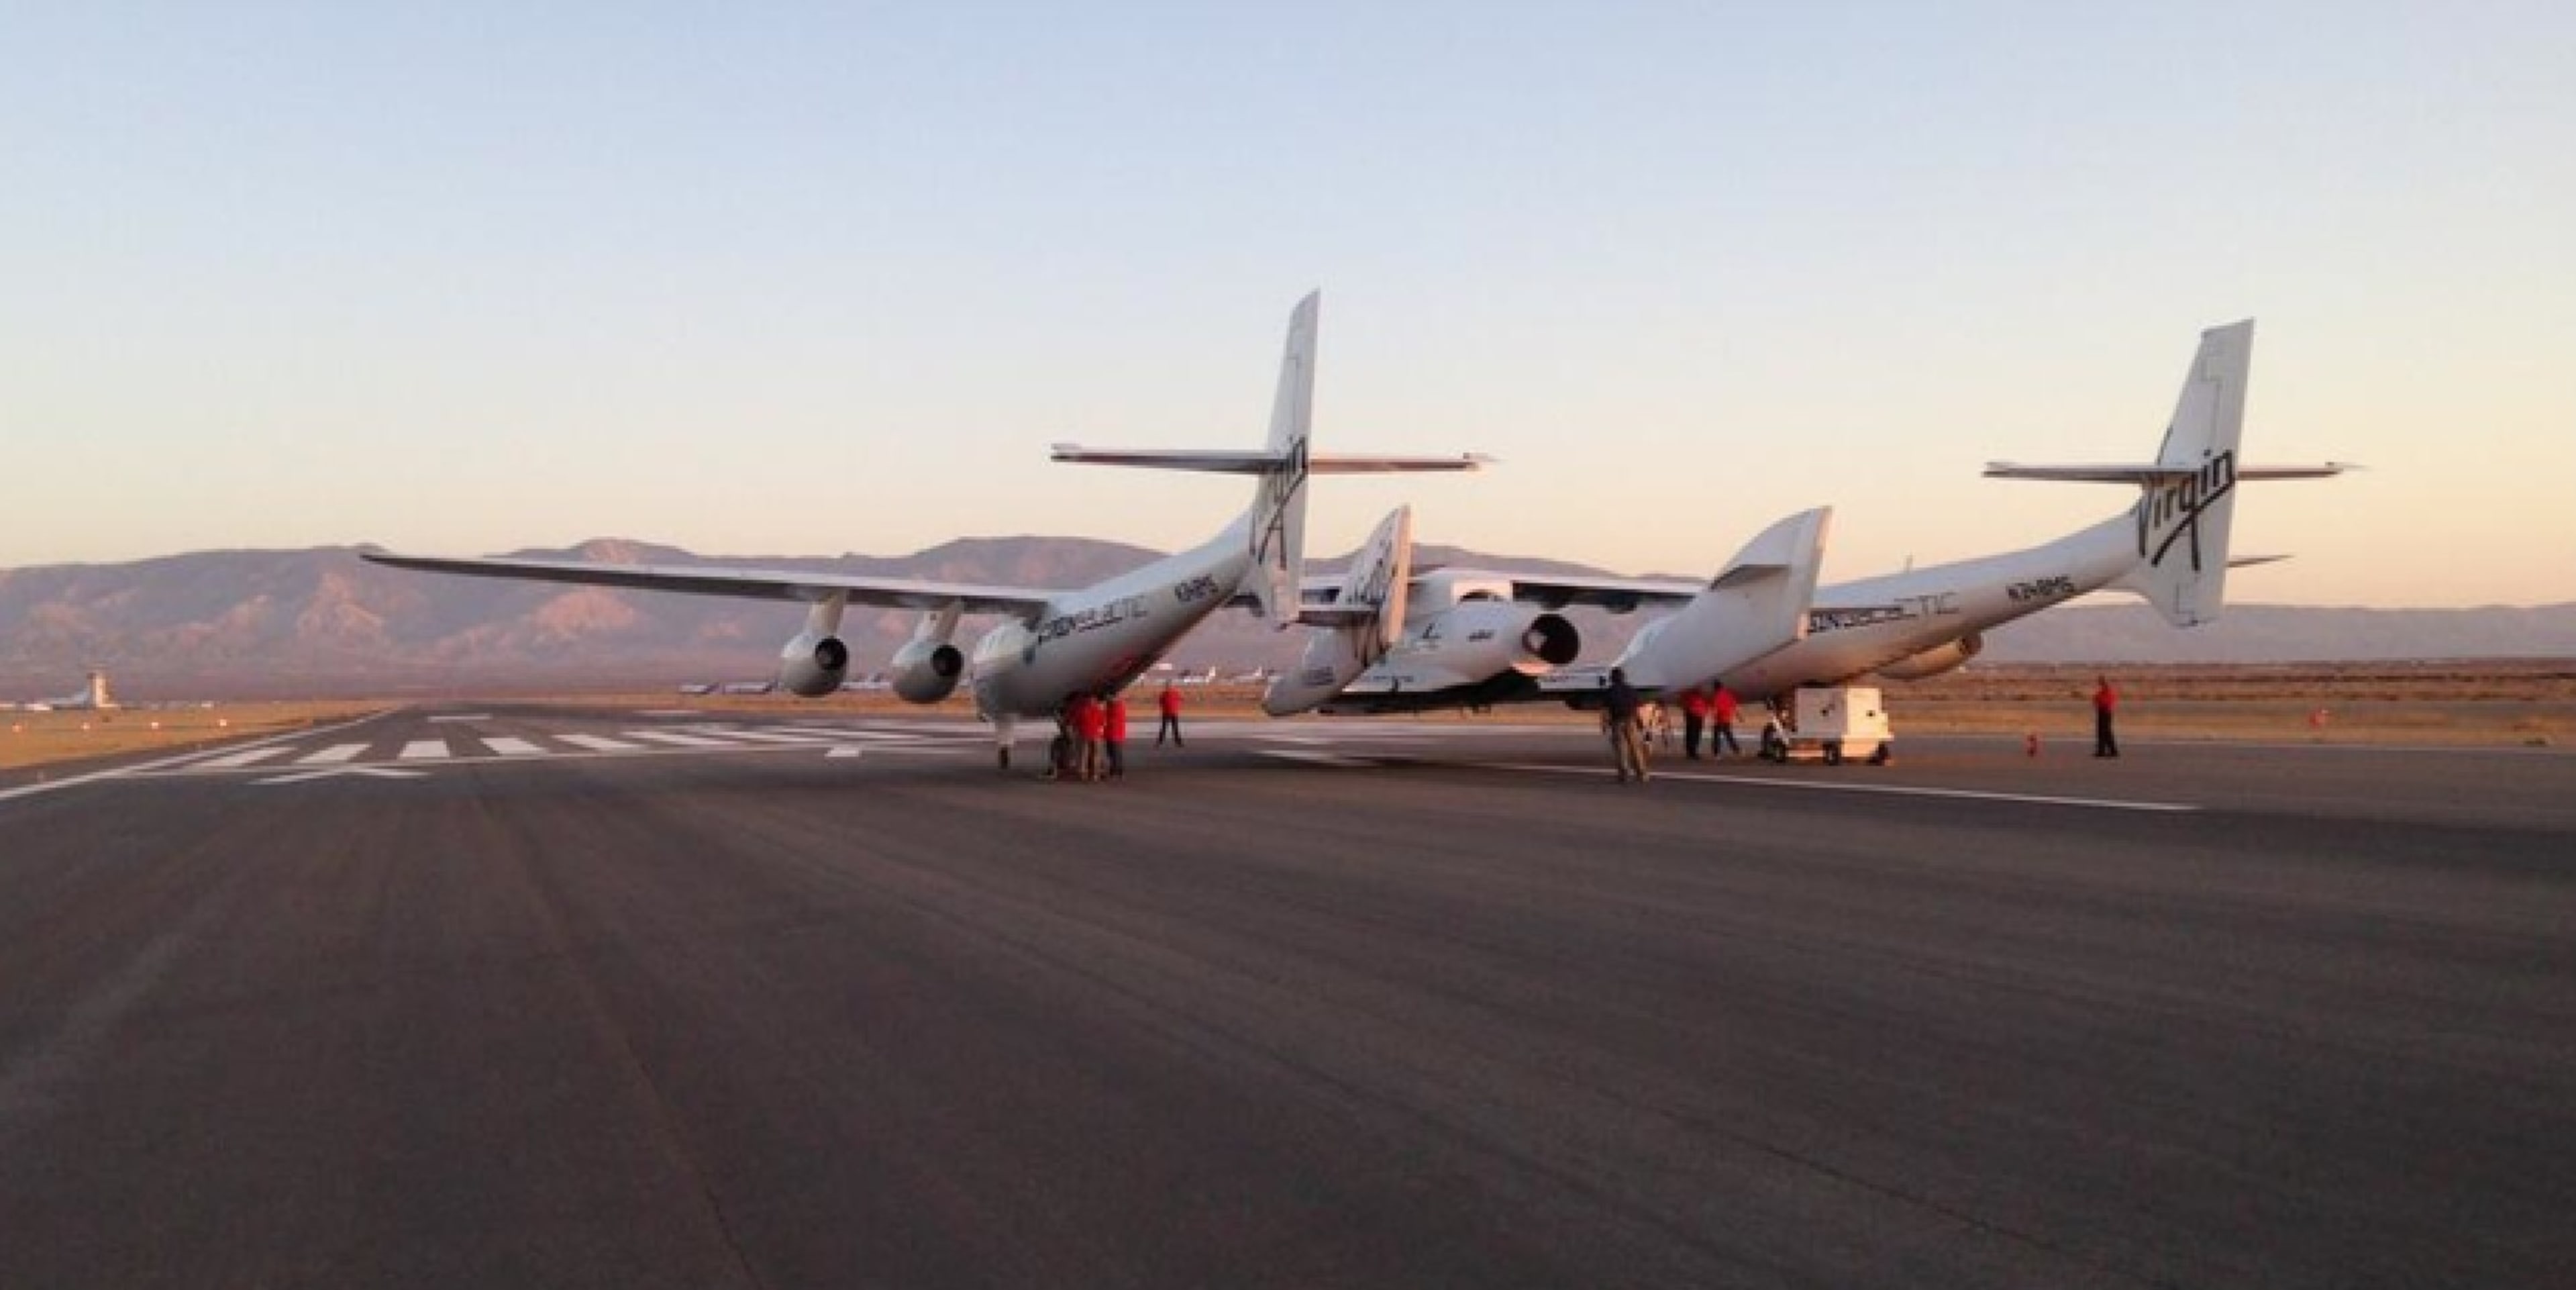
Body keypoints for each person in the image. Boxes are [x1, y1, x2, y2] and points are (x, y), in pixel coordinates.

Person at [1604, 667, 1649, 784]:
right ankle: (1642, 774)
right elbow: (1638, 708)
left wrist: (1605, 724)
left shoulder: (1609, 691)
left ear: (1612, 678)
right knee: (1635, 748)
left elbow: (1606, 710)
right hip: (1631, 721)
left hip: (1617, 722)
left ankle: (1624, 774)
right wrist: (1641, 723)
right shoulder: (1631, 690)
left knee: (1621, 749)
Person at [1070, 691, 1107, 781]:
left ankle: (1083, 773)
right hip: (1096, 735)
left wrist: (1075, 731)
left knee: (1083, 755)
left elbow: (1075, 722)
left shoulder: (1081, 709)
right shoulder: (1098, 710)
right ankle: (1095, 774)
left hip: (1084, 734)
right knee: (1096, 755)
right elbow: (1103, 723)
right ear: (1094, 701)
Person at [1709, 680, 1743, 756]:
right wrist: (1739, 717)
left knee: (1716, 737)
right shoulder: (1728, 694)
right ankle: (1737, 750)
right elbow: (1735, 706)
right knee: (1729, 735)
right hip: (1727, 718)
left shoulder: (1717, 696)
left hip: (1719, 719)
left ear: (1715, 688)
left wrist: (1712, 719)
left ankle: (1717, 753)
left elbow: (1715, 708)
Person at [2092, 675, 2120, 758]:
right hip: (2101, 711)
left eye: (2100, 681)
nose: (2099, 683)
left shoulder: (2108, 691)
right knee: (2101, 732)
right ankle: (2101, 751)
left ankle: (2113, 751)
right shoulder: (2102, 691)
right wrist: (2096, 701)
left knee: (2106, 732)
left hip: (2106, 712)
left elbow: (2105, 701)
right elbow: (2096, 699)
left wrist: (2097, 701)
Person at [1103, 693, 1129, 779]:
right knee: (1112, 753)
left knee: (1116, 754)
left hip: (1116, 735)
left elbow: (1111, 720)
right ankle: (1115, 771)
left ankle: (1117, 772)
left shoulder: (1118, 707)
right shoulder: (1111, 707)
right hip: (1110, 734)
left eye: (1110, 699)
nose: (1108, 701)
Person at [1680, 685, 1710, 759]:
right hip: (1695, 717)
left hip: (1694, 717)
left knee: (1692, 734)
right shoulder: (1697, 698)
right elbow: (1705, 708)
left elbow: (1684, 704)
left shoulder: (1692, 697)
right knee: (1694, 735)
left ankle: (1691, 752)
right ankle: (1692, 752)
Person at [1155, 680, 1185, 747]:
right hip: (1166, 713)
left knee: (1175, 729)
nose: (1168, 687)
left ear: (1172, 686)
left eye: (1170, 685)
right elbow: (1161, 702)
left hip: (1173, 713)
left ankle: (1178, 742)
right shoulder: (1164, 694)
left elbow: (1181, 699)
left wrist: (1177, 707)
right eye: (1167, 685)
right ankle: (1159, 742)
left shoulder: (1176, 693)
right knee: (1164, 729)